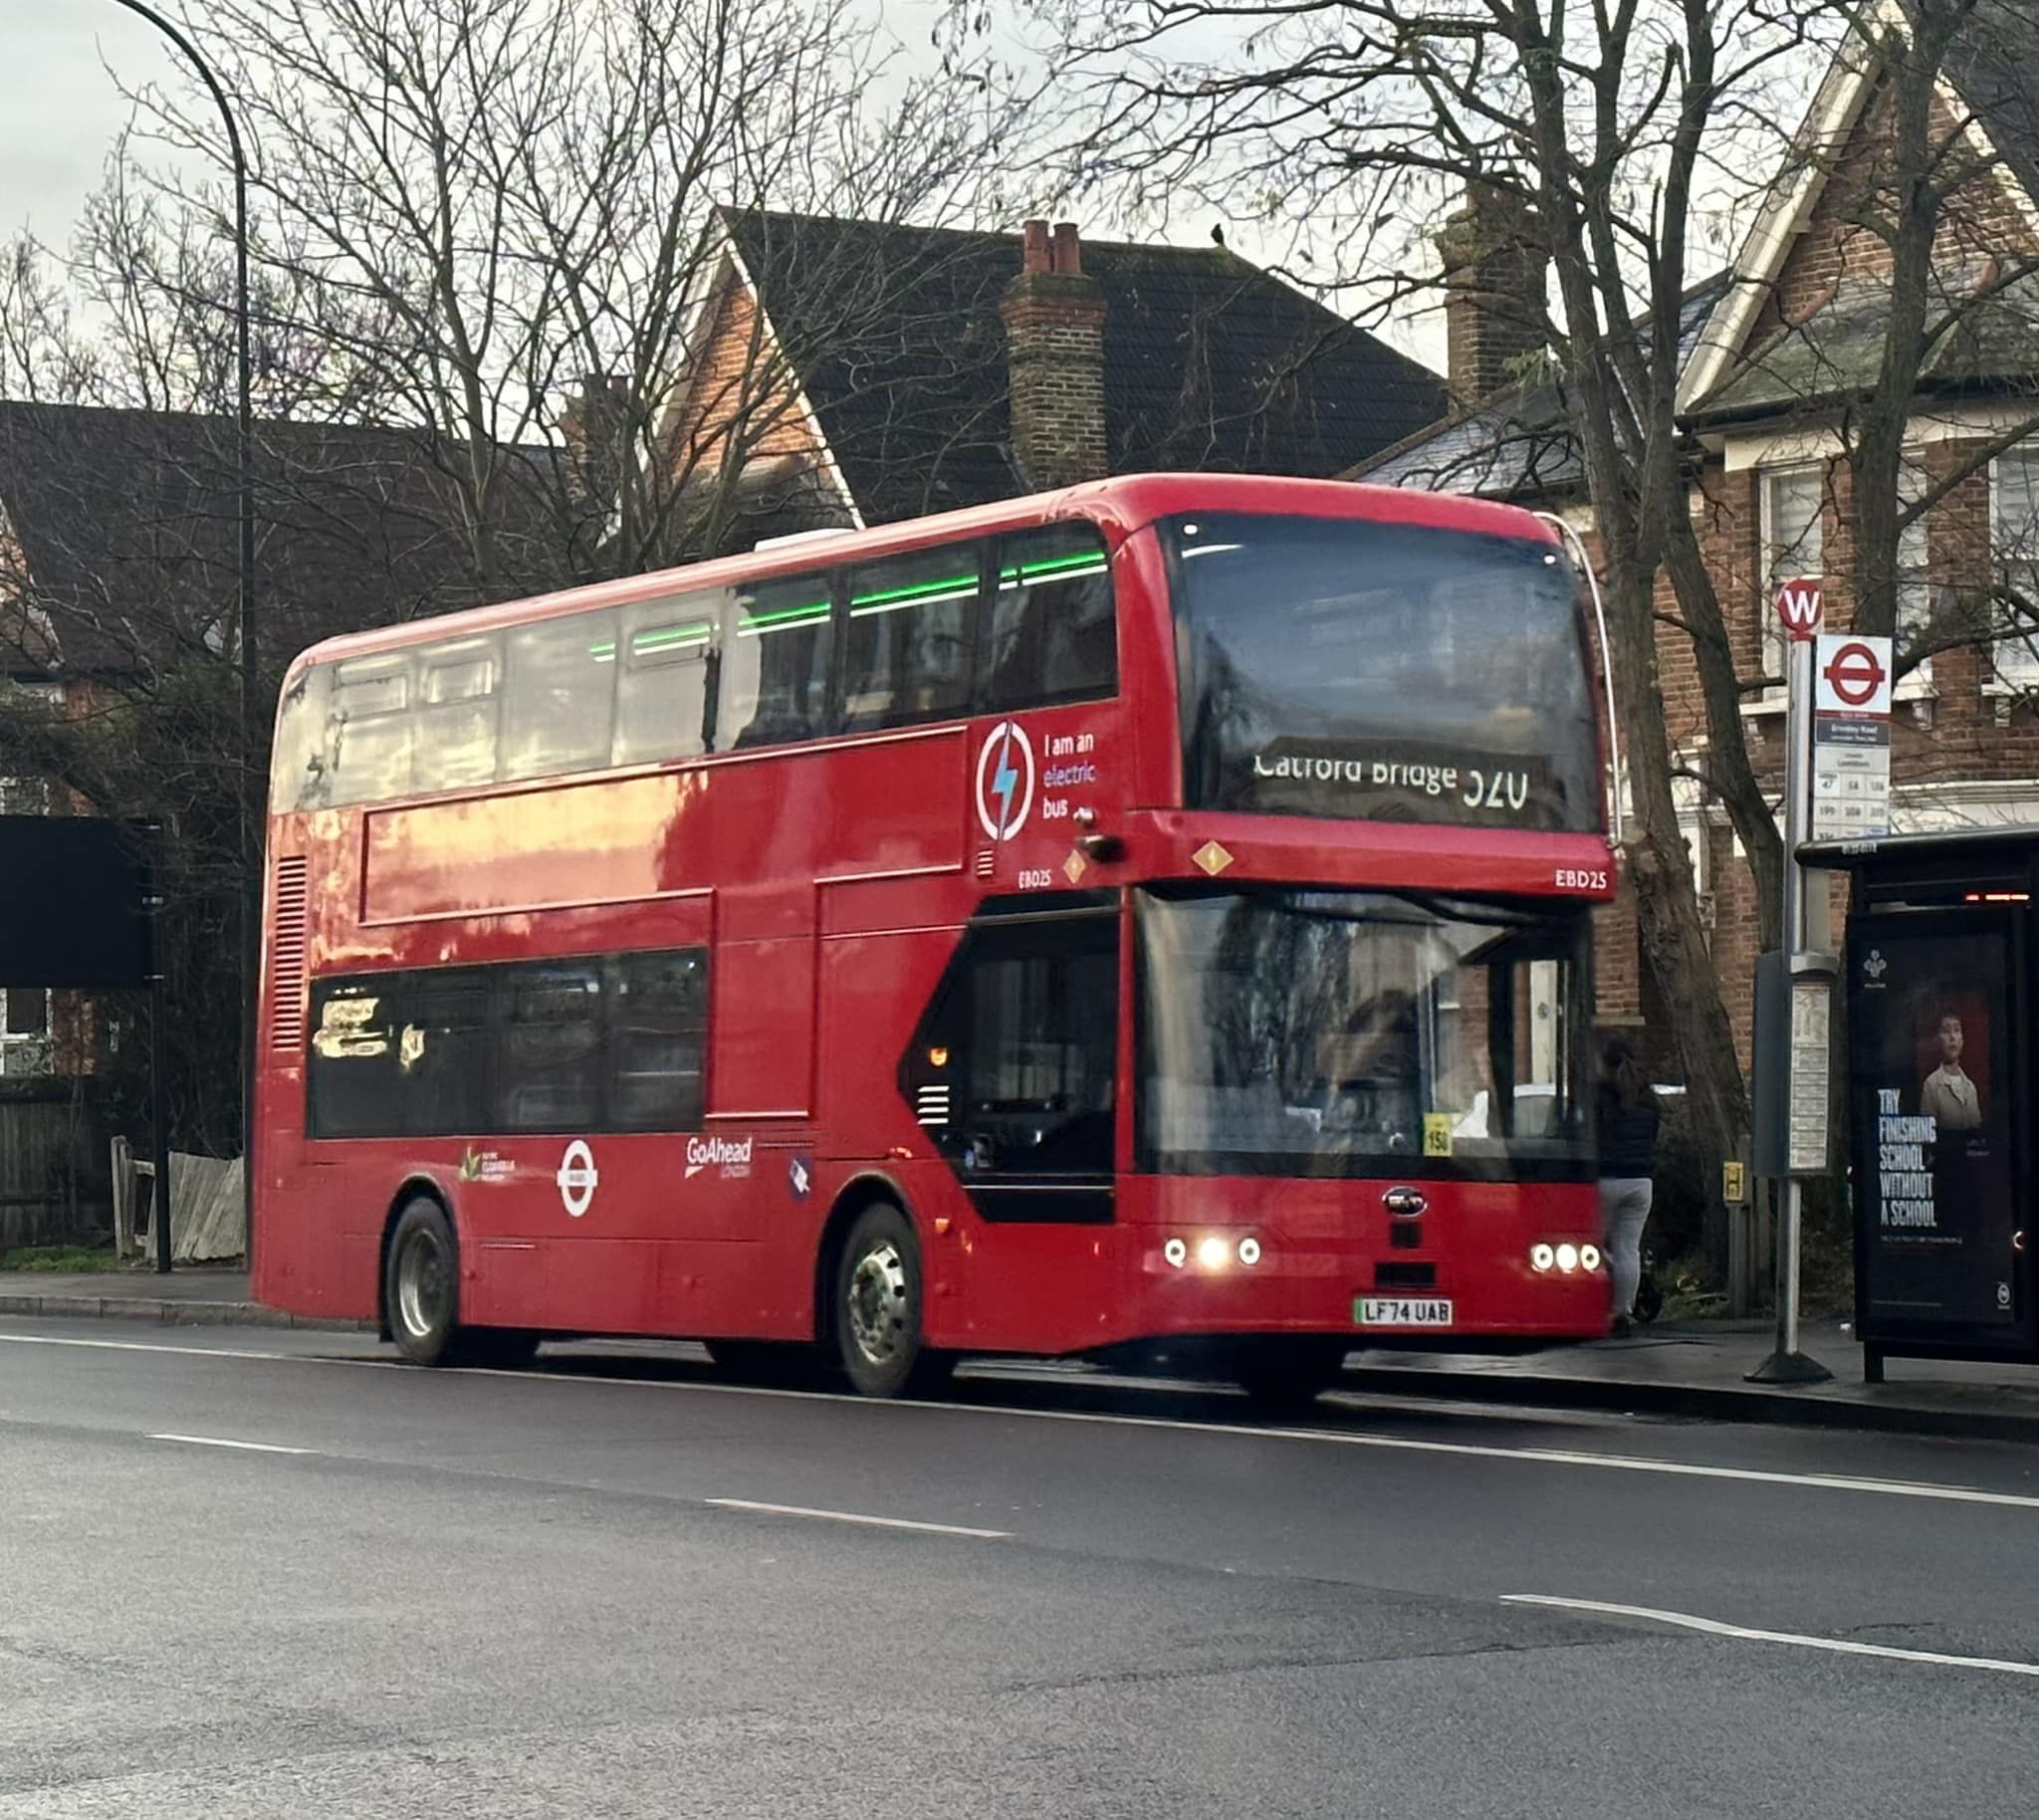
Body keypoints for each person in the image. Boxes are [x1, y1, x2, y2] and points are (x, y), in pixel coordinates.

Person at [1595, 1032, 1660, 1339]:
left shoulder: (1601, 1094)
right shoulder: (1648, 1096)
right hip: (1641, 1182)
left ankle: (1596, 1305)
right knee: (1628, 1249)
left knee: (1590, 1244)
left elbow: (1592, 1134)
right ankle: (1623, 1312)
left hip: (1608, 1179)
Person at [1920, 1011, 1982, 1133]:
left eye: (1957, 1030)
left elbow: (1977, 1130)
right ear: (1938, 1040)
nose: (1952, 1037)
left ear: (1962, 1040)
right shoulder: (1931, 1085)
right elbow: (1928, 1134)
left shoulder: (1970, 1087)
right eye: (1946, 1031)